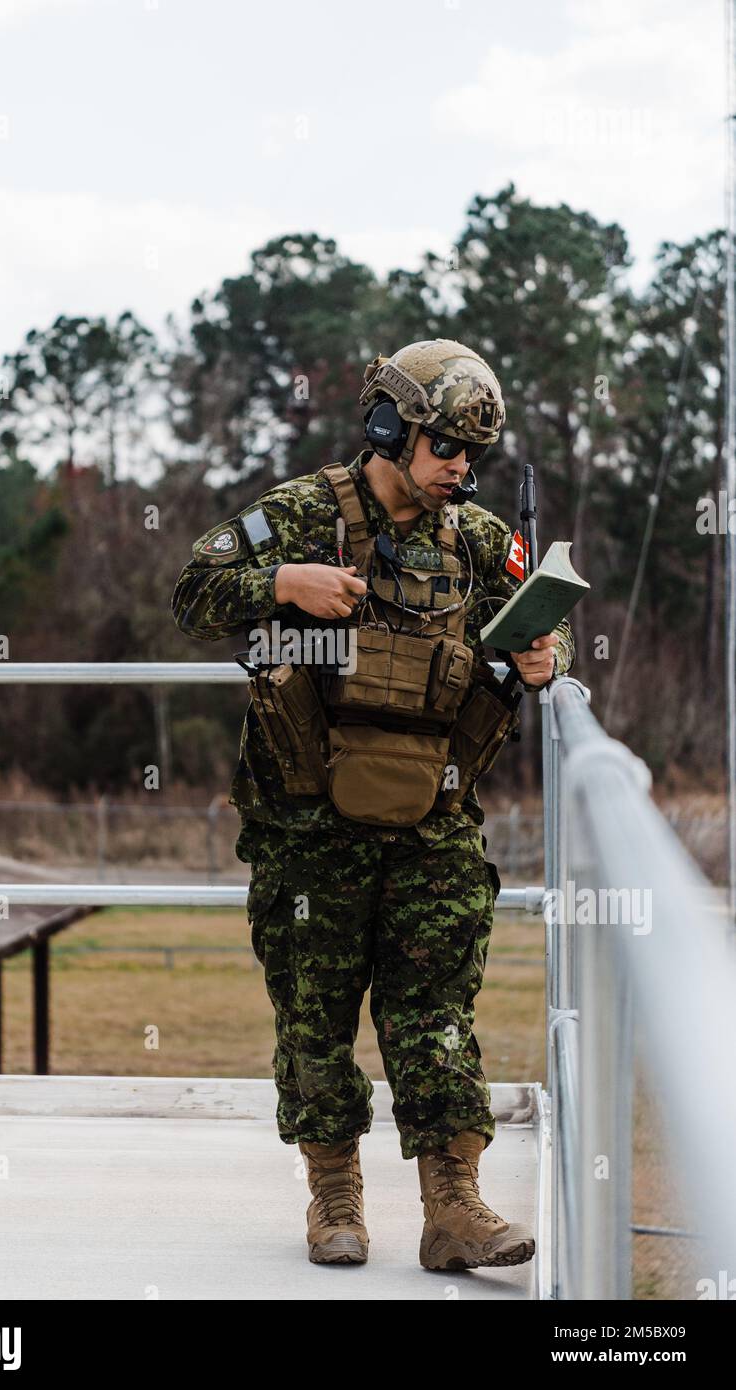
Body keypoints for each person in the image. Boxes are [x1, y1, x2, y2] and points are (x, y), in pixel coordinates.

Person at [171, 339, 574, 1273]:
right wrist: (282, 583)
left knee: (436, 1014)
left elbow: (541, 627)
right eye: (446, 450)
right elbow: (193, 593)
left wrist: (549, 660)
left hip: (433, 824)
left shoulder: (474, 539)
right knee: (315, 1015)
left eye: (475, 455)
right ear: (392, 431)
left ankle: (453, 1208)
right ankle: (335, 1200)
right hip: (311, 827)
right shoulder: (308, 515)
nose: (461, 470)